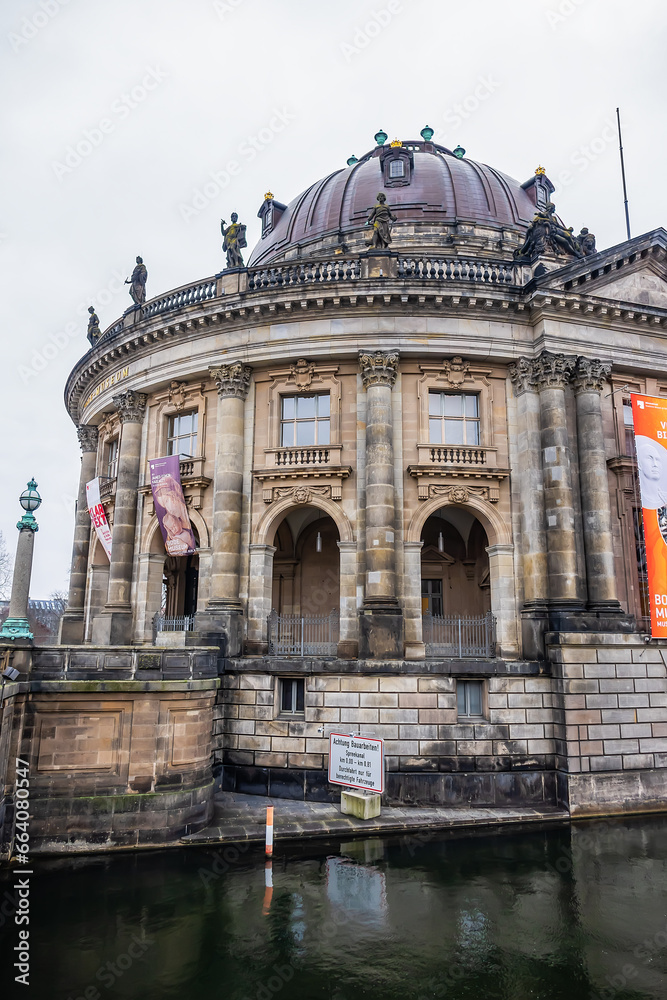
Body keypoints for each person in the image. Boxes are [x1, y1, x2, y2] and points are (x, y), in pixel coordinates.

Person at [153, 475, 196, 556]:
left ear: (174, 495)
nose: (167, 509)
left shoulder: (183, 522)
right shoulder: (172, 527)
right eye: (163, 505)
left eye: (166, 501)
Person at [636, 436, 667, 509]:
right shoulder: (641, 496)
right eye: (649, 458)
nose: (655, 464)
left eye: (657, 459)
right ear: (639, 464)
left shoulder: (664, 496)